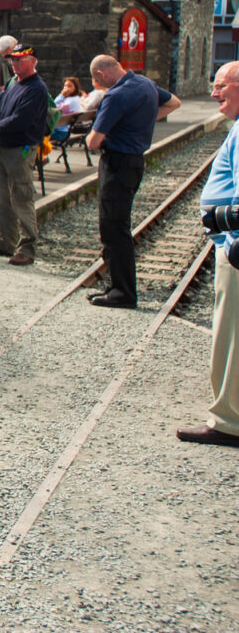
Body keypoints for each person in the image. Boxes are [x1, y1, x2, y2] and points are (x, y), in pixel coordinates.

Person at [84, 54, 181, 308]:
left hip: (116, 163)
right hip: (135, 161)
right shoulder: (145, 84)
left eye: (98, 81)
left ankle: (123, 292)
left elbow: (93, 141)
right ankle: (116, 285)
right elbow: (174, 103)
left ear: (102, 75)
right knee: (118, 225)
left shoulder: (116, 96)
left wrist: (95, 137)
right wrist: (141, 122)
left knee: (113, 228)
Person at [183, 61, 239, 446]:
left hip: (234, 245)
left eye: (220, 86)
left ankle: (229, 421)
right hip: (230, 239)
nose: (214, 93)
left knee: (231, 332)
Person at [0, 42, 49, 266]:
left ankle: (27, 248)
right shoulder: (13, 83)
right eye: (12, 59)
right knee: (1, 196)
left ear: (33, 61)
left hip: (21, 148)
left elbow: (21, 120)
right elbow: (3, 111)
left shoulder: (36, 88)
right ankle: (5, 240)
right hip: (4, 146)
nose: (14, 63)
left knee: (22, 196)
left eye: (20, 59)